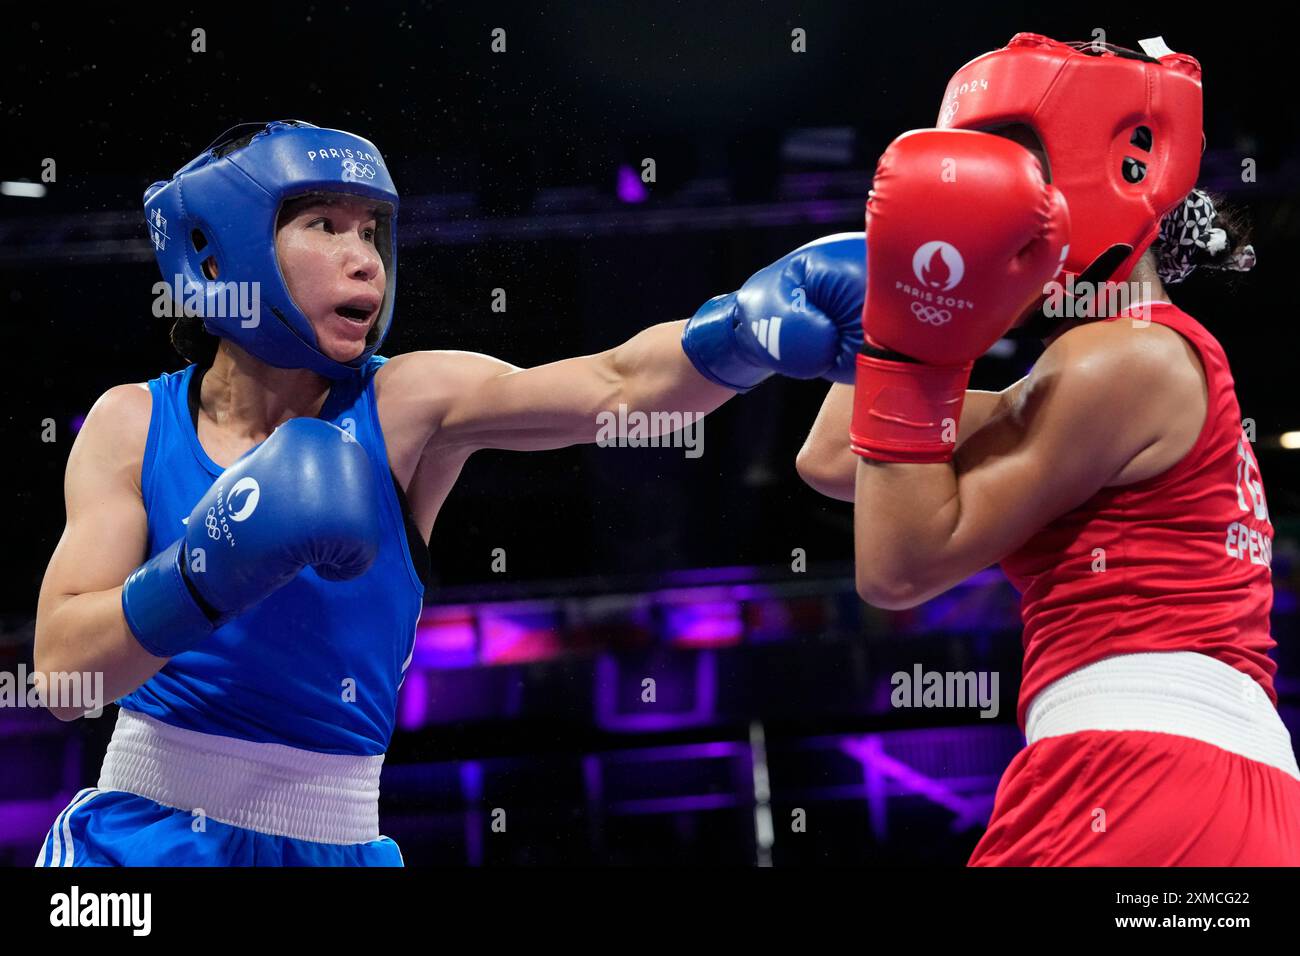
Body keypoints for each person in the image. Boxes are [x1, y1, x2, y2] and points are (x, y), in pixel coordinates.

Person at [32, 120, 860, 866]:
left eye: (372, 231)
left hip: (339, 842)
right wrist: (211, 567)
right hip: (142, 838)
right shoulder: (132, 423)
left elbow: (618, 386)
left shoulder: (404, 405)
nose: (366, 258)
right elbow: (66, 676)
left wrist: (746, 330)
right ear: (222, 255)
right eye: (324, 224)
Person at [789, 35, 1299, 864]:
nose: (985, 207)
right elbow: (839, 460)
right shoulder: (1117, 367)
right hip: (1214, 789)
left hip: (1138, 777)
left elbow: (900, 564)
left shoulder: (1118, 361)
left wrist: (914, 336)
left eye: (1013, 174)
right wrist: (906, 287)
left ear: (1122, 169)